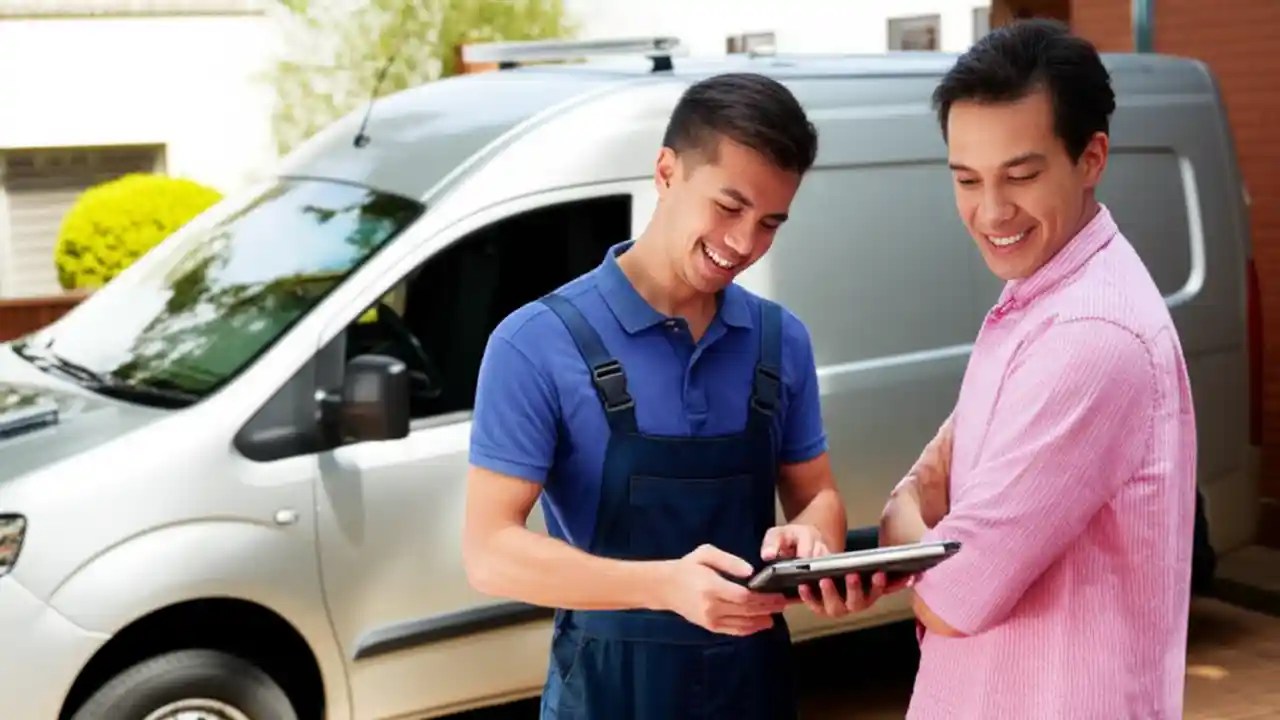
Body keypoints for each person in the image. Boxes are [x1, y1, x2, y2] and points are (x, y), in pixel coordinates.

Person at [462, 73, 886, 720]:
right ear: (666, 172)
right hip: (606, 698)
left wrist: (810, 541)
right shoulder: (535, 344)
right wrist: (663, 586)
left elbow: (818, 496)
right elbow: (488, 552)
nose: (744, 243)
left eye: (771, 222)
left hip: (756, 692)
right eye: (728, 206)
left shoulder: (781, 342)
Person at [878, 19, 1198, 720]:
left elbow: (952, 594)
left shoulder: (1090, 335)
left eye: (1020, 175)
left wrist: (900, 528)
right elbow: (943, 469)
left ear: (1091, 159)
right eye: (967, 179)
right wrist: (919, 514)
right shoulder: (1041, 294)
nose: (991, 212)